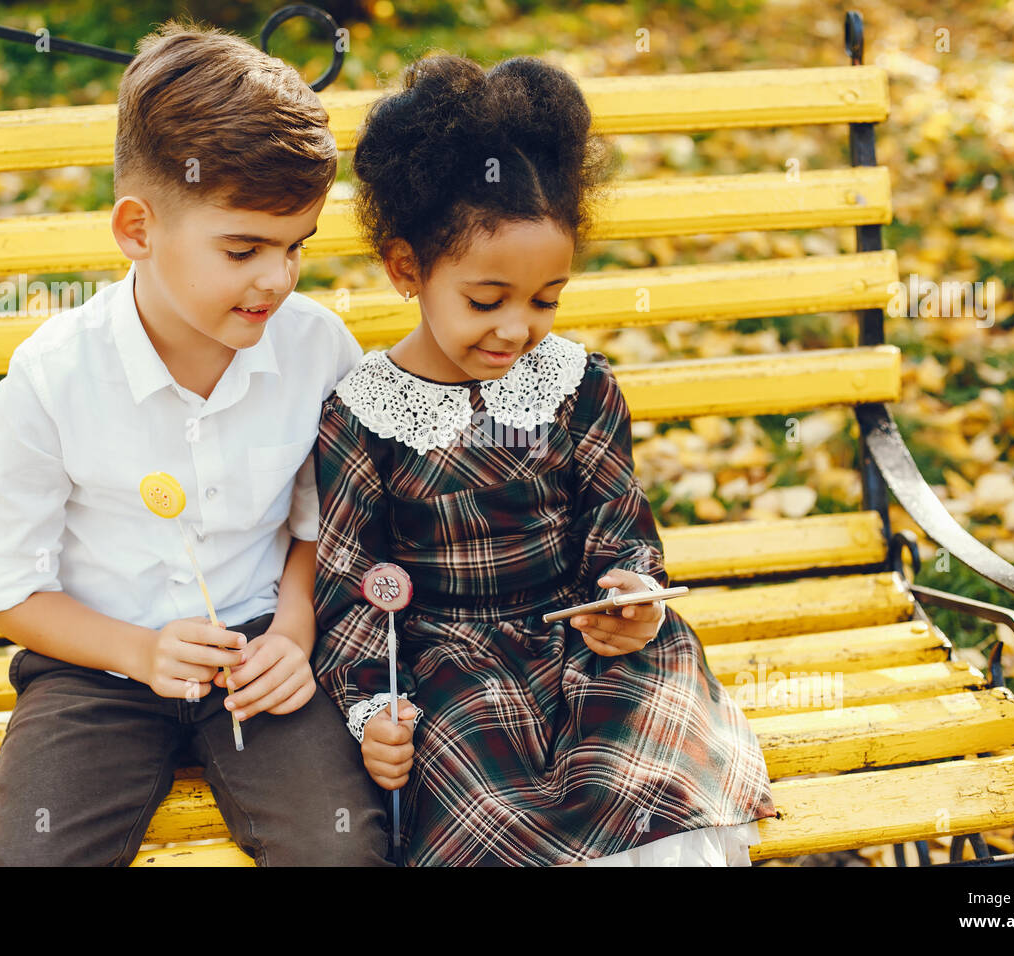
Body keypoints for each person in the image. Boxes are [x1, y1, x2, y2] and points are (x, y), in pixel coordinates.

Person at [312, 52, 776, 867]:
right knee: (489, 806)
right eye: (485, 300)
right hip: (451, 665)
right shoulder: (365, 413)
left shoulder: (576, 385)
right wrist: (374, 707)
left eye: (546, 299)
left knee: (650, 771)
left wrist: (631, 595)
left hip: (585, 643)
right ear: (406, 269)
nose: (516, 328)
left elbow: (621, 527)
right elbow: (352, 589)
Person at [0, 20, 391, 866]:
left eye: (296, 246)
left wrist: (294, 631)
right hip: (97, 669)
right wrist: (139, 651)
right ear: (138, 229)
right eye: (243, 249)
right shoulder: (53, 376)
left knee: (340, 850)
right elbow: (12, 591)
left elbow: (320, 528)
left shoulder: (317, 350)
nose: (277, 278)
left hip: (257, 655)